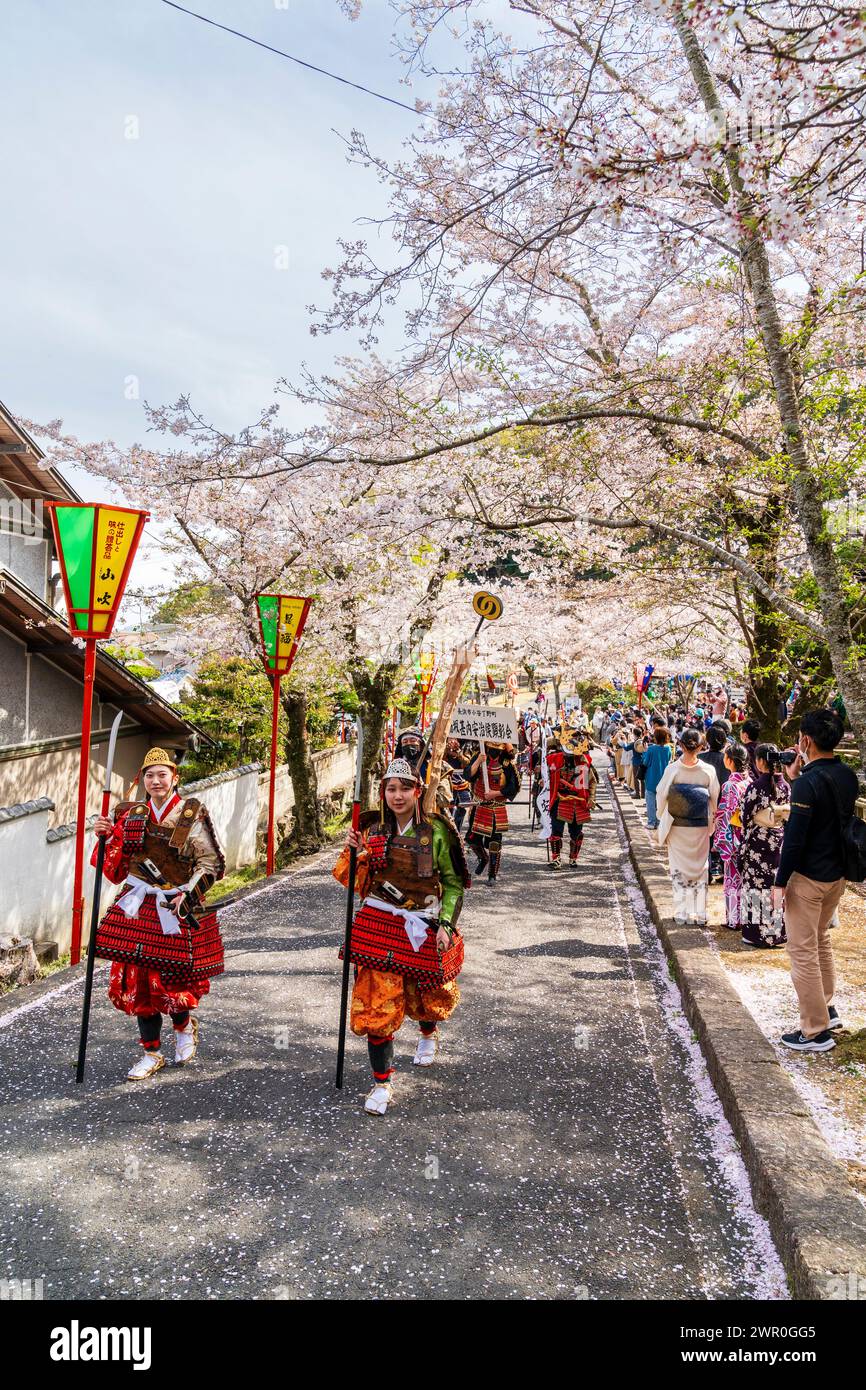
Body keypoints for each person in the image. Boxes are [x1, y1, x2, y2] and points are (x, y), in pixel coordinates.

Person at [334, 757, 469, 1114]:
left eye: (404, 788)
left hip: (422, 920)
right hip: (379, 919)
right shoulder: (373, 829)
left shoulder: (437, 831)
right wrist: (356, 854)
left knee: (426, 993)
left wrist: (446, 924)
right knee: (376, 1001)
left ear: (417, 791)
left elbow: (454, 883)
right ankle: (381, 1083)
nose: (397, 796)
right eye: (390, 789)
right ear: (384, 793)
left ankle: (427, 1032)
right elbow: (353, 884)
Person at [90, 747, 225, 1081]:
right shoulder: (132, 814)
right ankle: (151, 1051)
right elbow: (115, 869)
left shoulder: (190, 813)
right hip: (137, 903)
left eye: (162, 774)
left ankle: (182, 1027)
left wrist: (187, 893)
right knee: (137, 980)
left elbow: (212, 862)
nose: (155, 780)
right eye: (149, 775)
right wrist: (106, 837)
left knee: (172, 977)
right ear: (143, 780)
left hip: (173, 901)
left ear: (174, 777)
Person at [772, 708, 859, 1052]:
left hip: (807, 877)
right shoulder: (847, 775)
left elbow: (796, 837)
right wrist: (796, 779)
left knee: (802, 950)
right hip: (836, 874)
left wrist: (780, 882)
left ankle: (814, 1031)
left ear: (805, 740)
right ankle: (827, 1008)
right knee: (820, 940)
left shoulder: (807, 783)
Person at [655, 728, 719, 925]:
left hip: (677, 824)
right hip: (699, 825)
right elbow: (715, 799)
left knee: (678, 868)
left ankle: (682, 912)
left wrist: (661, 815)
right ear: (701, 747)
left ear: (680, 745)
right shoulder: (708, 770)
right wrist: (712, 819)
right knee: (701, 868)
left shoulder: (672, 769)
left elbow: (661, 795)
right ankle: (700, 913)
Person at [739, 744, 790, 948]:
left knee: (755, 886)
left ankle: (755, 934)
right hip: (778, 838)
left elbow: (744, 816)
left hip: (758, 840)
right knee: (775, 884)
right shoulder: (785, 785)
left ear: (760, 761)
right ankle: (775, 932)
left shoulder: (756, 787)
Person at [465, 740, 520, 885]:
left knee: (494, 842)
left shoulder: (507, 764)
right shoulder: (479, 755)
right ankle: (483, 858)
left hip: (496, 807)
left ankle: (492, 874)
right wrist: (478, 761)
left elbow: (514, 787)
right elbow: (468, 776)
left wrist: (496, 793)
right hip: (479, 805)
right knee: (471, 839)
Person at [546, 734, 598, 869]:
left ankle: (573, 858)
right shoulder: (554, 760)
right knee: (556, 831)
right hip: (560, 799)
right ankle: (556, 859)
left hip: (578, 802)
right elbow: (543, 771)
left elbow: (592, 782)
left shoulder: (584, 762)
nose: (568, 757)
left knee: (576, 833)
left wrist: (591, 798)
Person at [713, 742, 750, 928]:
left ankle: (734, 919)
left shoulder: (730, 785)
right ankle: (746, 918)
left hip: (733, 837)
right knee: (746, 880)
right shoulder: (749, 782)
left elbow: (725, 815)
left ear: (729, 760)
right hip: (748, 836)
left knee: (733, 880)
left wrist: (719, 838)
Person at [643, 725, 673, 830]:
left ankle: (651, 822)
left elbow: (645, 762)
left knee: (650, 802)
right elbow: (669, 760)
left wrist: (645, 751)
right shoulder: (668, 748)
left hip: (651, 778)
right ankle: (660, 822)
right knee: (661, 803)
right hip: (663, 778)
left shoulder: (651, 749)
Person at [444, 737, 472, 832]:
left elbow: (467, 762)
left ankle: (458, 832)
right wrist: (446, 749)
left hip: (462, 782)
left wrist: (459, 752)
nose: (452, 740)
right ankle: (449, 831)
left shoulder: (466, 746)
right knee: (448, 809)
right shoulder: (443, 744)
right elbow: (439, 759)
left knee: (461, 809)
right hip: (447, 783)